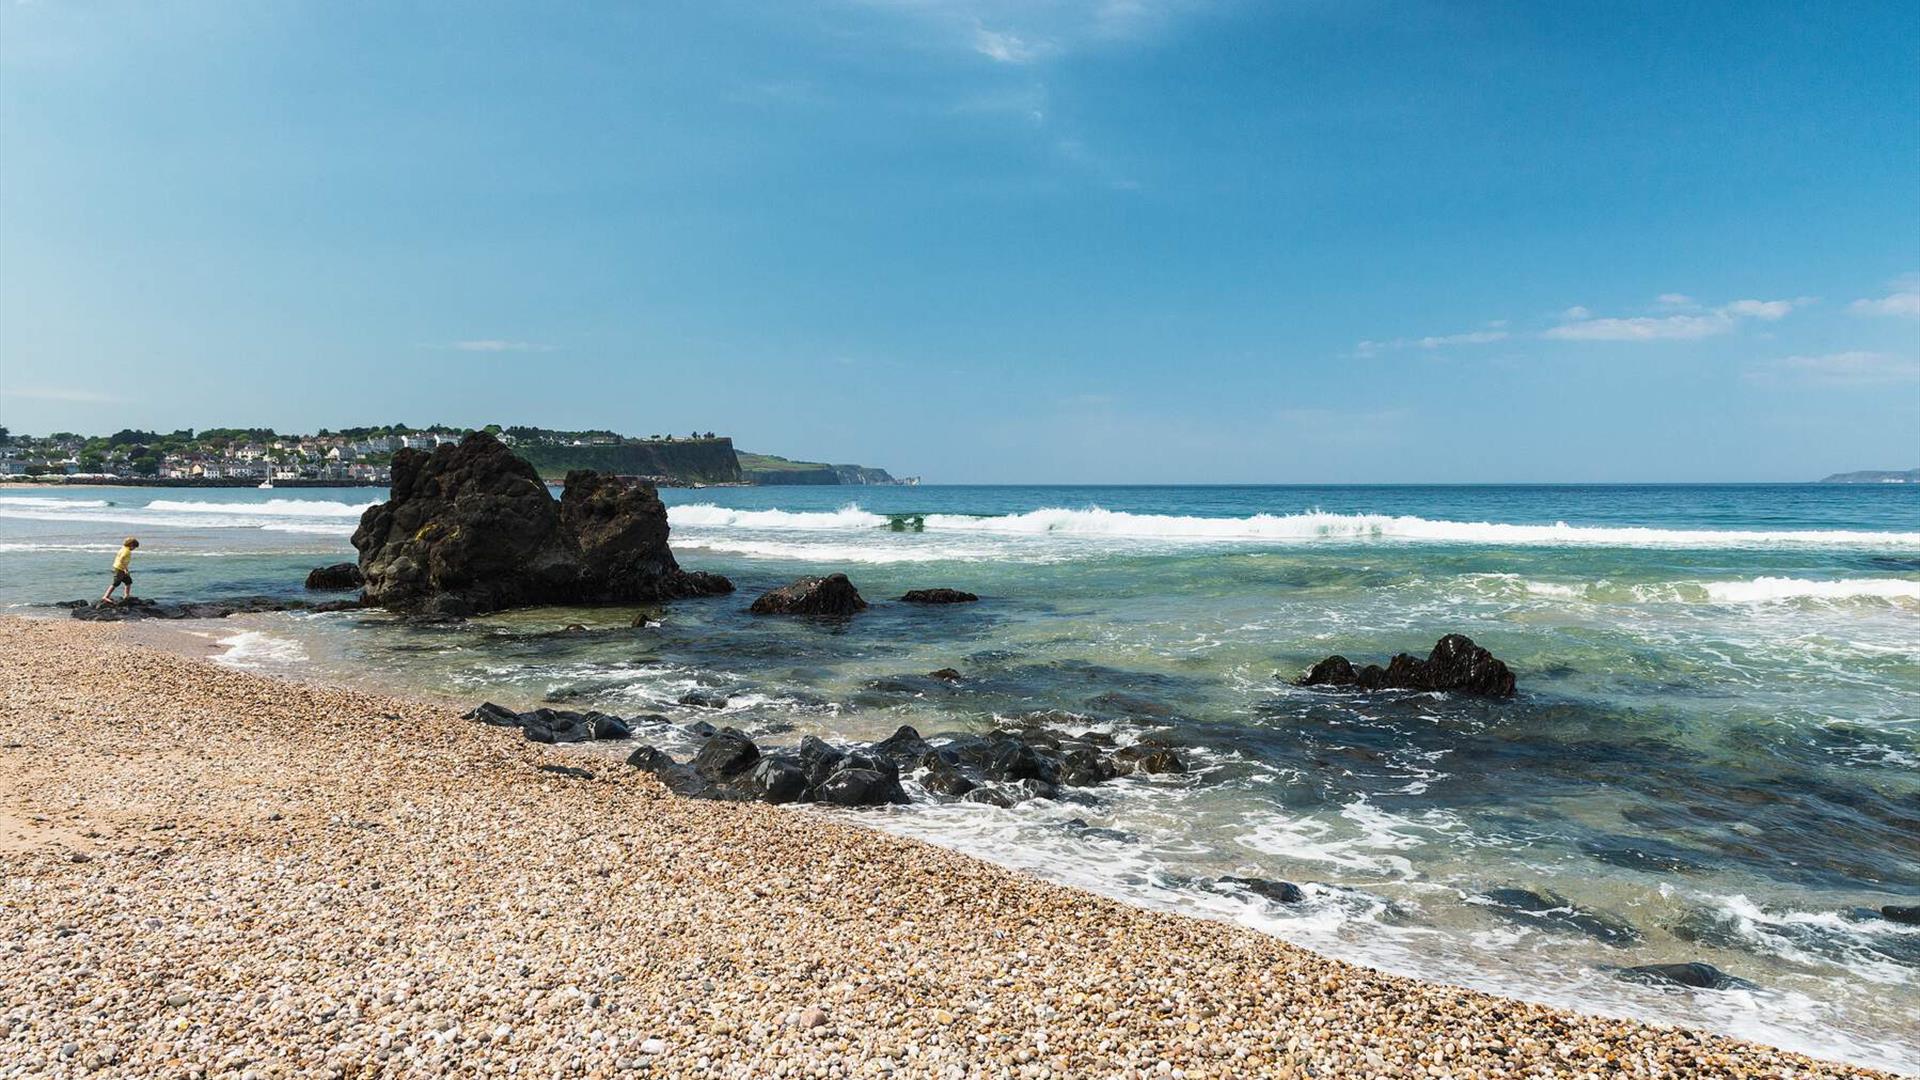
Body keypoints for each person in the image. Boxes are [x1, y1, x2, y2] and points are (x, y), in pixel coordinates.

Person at [103, 537, 139, 604]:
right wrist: (125, 569)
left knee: (128, 581)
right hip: (119, 569)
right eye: (134, 547)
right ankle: (106, 596)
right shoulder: (127, 551)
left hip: (119, 567)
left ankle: (126, 595)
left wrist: (125, 569)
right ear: (131, 545)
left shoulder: (123, 548)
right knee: (116, 583)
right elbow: (122, 559)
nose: (134, 549)